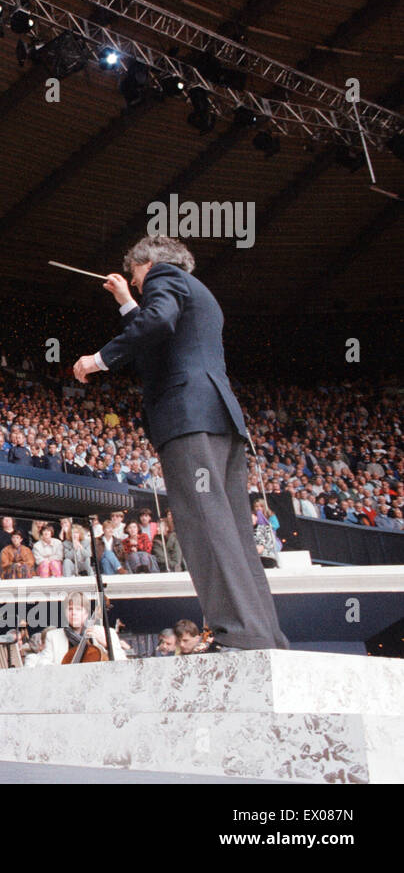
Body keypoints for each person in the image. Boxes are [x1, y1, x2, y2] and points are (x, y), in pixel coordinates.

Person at [73, 235, 288, 652]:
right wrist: (124, 302)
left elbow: (156, 323)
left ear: (148, 263)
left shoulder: (163, 276)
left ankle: (237, 636)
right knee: (234, 532)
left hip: (188, 418)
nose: (136, 285)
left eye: (135, 278)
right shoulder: (197, 292)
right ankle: (261, 634)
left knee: (204, 526)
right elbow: (159, 339)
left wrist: (97, 360)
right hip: (217, 417)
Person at [34, 593, 127, 664]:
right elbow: (42, 665)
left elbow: (123, 663)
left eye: (78, 609)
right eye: (70, 609)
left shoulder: (107, 633)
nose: (73, 613)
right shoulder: (53, 636)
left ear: (86, 613)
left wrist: (107, 645)